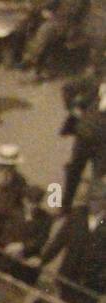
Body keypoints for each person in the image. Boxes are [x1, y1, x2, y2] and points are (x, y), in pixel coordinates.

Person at [35, 183, 106, 303]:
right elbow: (59, 241)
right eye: (90, 199)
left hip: (93, 282)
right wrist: (42, 259)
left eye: (96, 200)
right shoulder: (77, 215)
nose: (92, 203)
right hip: (69, 275)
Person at [63, 80, 106, 210]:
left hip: (103, 147)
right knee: (74, 172)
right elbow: (68, 88)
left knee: (98, 178)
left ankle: (89, 213)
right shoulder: (96, 87)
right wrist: (74, 109)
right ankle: (65, 205)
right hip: (83, 140)